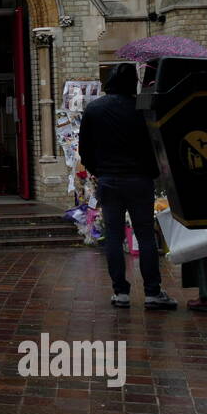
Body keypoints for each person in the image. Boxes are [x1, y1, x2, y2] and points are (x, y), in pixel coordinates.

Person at [78, 63, 178, 309]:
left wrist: (99, 172)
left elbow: (85, 150)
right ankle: (152, 292)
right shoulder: (142, 109)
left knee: (113, 235)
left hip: (109, 179)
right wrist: (153, 173)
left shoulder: (94, 109)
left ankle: (120, 292)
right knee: (144, 235)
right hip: (139, 180)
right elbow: (155, 145)